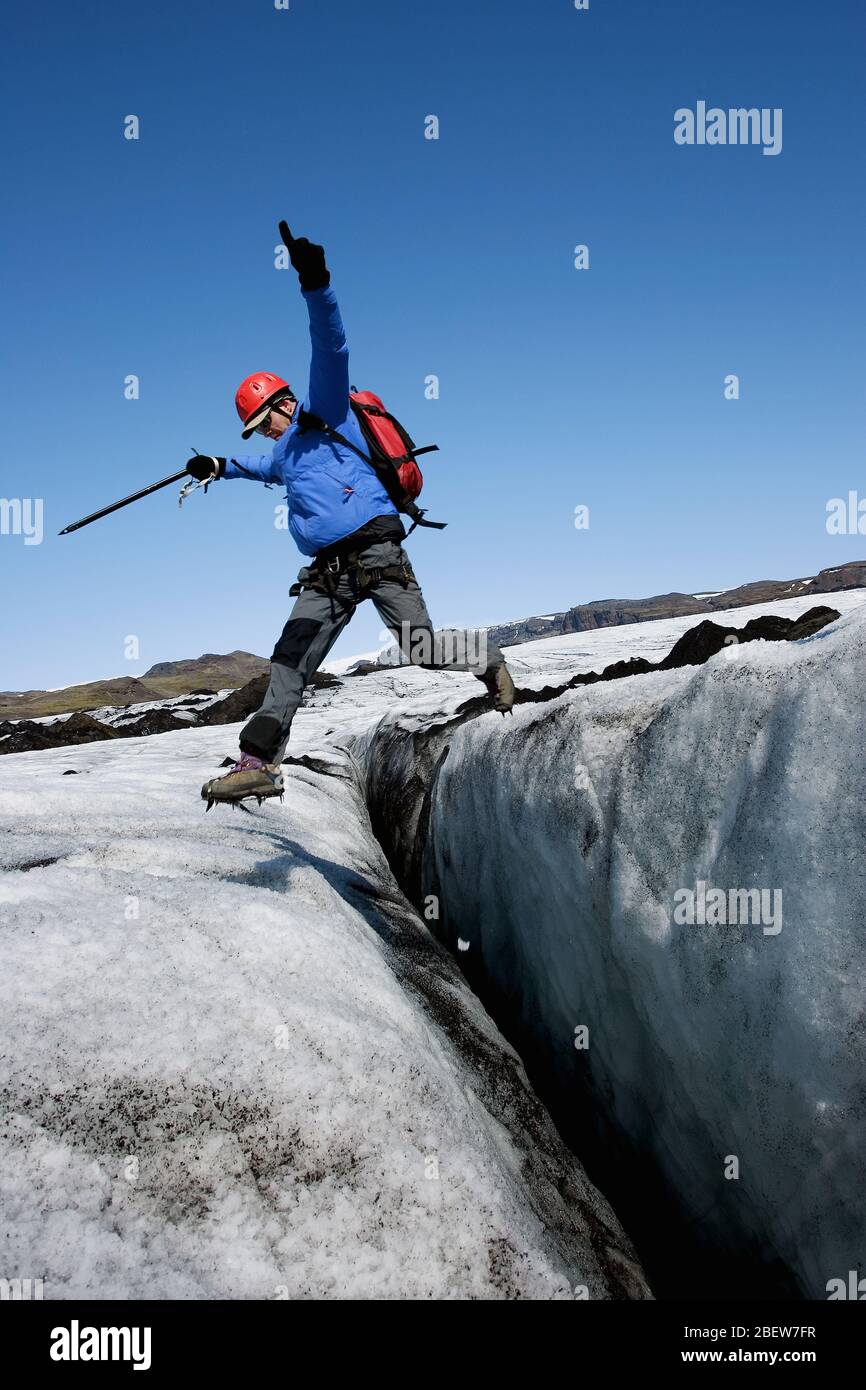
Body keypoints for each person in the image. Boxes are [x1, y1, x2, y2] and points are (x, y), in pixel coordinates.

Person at [187, 224, 515, 808]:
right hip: (327, 574)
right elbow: (251, 465)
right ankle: (258, 763)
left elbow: (331, 347)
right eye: (256, 428)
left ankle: (486, 660)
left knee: (420, 646)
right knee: (290, 659)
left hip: (377, 552)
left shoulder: (326, 412)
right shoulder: (283, 455)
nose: (263, 430)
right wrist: (215, 464)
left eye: (264, 419)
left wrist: (316, 285)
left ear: (282, 402)